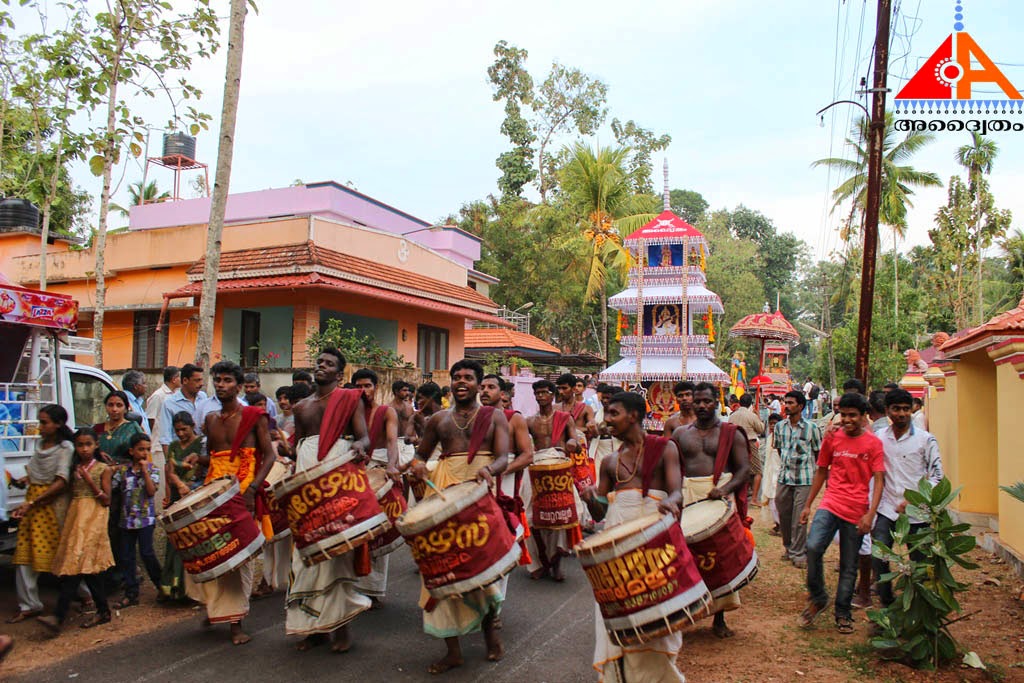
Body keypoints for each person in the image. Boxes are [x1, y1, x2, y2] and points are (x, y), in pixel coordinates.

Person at [409, 360, 510, 674]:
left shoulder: (495, 417)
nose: (461, 382)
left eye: (468, 377)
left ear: (479, 384)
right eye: (456, 377)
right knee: (440, 569)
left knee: (482, 572)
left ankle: (491, 636)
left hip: (479, 495)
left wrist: (489, 469)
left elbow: (504, 457)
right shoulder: (439, 419)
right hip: (444, 494)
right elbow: (421, 455)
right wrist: (416, 466)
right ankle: (453, 652)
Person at [581, 391, 685, 682]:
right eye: (606, 413)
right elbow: (600, 513)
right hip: (618, 545)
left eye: (614, 413)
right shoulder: (609, 462)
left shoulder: (665, 448)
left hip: (655, 541)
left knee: (657, 609)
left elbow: (677, 491)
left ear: (634, 415)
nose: (607, 419)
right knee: (619, 610)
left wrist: (671, 502)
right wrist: (590, 498)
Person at [287, 349, 372, 653]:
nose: (322, 366)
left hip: (338, 477)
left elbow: (364, 437)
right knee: (306, 552)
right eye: (320, 362)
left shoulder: (349, 399)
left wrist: (359, 448)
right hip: (307, 481)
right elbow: (297, 447)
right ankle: (314, 629)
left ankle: (341, 627)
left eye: (329, 364)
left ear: (339, 373)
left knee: (337, 550)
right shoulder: (301, 407)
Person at [190, 361, 277, 645]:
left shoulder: (254, 416)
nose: (221, 385)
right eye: (217, 380)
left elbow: (270, 456)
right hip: (214, 491)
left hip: (243, 492)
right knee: (213, 550)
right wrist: (197, 460)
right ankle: (217, 609)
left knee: (238, 558)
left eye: (227, 380)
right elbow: (217, 458)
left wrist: (252, 489)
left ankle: (236, 622)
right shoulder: (211, 419)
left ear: (239, 386)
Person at [799, 392, 884, 635]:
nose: (847, 420)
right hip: (830, 503)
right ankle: (818, 597)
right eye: (843, 415)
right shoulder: (832, 438)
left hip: (856, 510)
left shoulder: (873, 444)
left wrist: (870, 514)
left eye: (852, 415)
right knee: (813, 547)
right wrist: (808, 504)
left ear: (863, 416)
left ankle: (843, 613)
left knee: (849, 564)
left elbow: (879, 480)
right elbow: (821, 471)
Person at [671, 382, 751, 639]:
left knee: (721, 557)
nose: (702, 405)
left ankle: (720, 617)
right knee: (687, 557)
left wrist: (724, 490)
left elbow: (744, 470)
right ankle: (685, 613)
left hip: (719, 498)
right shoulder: (680, 434)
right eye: (698, 401)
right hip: (688, 497)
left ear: (717, 402)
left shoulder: (731, 433)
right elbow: (671, 468)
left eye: (707, 401)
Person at [872, 389, 943, 608]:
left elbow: (937, 476)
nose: (902, 414)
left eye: (906, 409)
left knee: (920, 562)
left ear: (912, 410)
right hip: (887, 508)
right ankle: (887, 604)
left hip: (918, 512)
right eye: (896, 409)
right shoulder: (879, 438)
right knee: (879, 555)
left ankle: (918, 608)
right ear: (887, 411)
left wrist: (914, 500)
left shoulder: (925, 439)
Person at [40, 428, 114, 632]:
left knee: (80, 564)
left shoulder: (102, 469)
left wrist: (89, 481)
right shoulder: (74, 467)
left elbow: (107, 500)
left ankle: (59, 616)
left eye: (88, 444)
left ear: (96, 445)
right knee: (84, 567)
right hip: (76, 518)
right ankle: (102, 610)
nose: (84, 449)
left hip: (94, 518)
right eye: (80, 445)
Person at [7, 405, 74, 623]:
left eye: (44, 422)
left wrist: (33, 502)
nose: (40, 427)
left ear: (58, 424)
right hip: (34, 506)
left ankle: (84, 594)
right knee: (24, 556)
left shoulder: (65, 448)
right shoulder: (40, 445)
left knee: (62, 555)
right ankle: (29, 605)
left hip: (52, 508)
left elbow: (61, 481)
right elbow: (35, 472)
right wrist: (22, 482)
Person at [351, 368, 400, 607]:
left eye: (367, 386)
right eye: (359, 386)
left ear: (376, 388)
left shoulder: (386, 411)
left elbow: (392, 441)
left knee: (377, 531)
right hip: (354, 473)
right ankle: (351, 587)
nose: (363, 390)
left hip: (379, 472)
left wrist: (391, 466)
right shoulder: (348, 412)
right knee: (353, 531)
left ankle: (373, 590)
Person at [524, 379, 579, 582]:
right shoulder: (529, 421)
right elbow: (522, 445)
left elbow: (574, 440)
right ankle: (537, 564)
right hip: (536, 469)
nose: (540, 396)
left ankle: (556, 563)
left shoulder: (565, 418)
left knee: (561, 515)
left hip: (559, 468)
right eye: (537, 393)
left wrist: (572, 443)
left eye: (544, 392)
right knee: (530, 517)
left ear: (552, 395)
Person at [774, 389, 823, 569]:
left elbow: (818, 453)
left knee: (799, 518)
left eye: (790, 403)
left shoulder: (812, 428)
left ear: (800, 406)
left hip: (804, 478)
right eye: (785, 403)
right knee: (784, 515)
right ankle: (789, 548)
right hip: (784, 478)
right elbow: (779, 449)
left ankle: (799, 552)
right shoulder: (780, 427)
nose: (786, 406)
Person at [112, 433, 161, 609]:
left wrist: (145, 471)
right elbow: (114, 488)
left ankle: (162, 586)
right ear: (132, 451)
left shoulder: (153, 469)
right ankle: (131, 593)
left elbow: (151, 491)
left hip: (145, 519)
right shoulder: (123, 471)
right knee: (127, 556)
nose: (144, 453)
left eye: (147, 449)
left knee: (147, 553)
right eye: (141, 449)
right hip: (127, 520)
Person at [159, 412, 204, 602]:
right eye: (177, 430)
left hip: (195, 494)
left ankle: (193, 590)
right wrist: (173, 490)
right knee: (175, 541)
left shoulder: (201, 444)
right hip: (179, 495)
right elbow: (169, 470)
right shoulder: (174, 446)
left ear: (192, 426)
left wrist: (188, 486)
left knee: (193, 539)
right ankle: (174, 587)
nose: (180, 433)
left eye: (184, 429)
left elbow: (203, 468)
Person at [157, 364, 208, 448]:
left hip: (202, 451)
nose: (201, 384)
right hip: (181, 452)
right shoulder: (170, 403)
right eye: (197, 380)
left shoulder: (203, 397)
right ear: (185, 380)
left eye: (201, 380)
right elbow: (165, 437)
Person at [729, 393, 765, 505]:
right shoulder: (751, 415)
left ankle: (740, 497)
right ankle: (754, 499)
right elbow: (761, 429)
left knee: (740, 470)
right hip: (749, 443)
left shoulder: (733, 415)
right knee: (758, 472)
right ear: (750, 404)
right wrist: (758, 416)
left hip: (735, 444)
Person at [760, 413, 784, 534]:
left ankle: (782, 525)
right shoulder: (769, 438)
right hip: (770, 472)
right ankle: (778, 524)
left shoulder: (784, 438)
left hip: (780, 473)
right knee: (771, 500)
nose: (772, 426)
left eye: (775, 423)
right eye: (771, 424)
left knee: (778, 500)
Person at [145, 366, 180, 449]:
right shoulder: (158, 396)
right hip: (158, 445)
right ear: (174, 379)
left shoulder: (176, 394)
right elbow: (150, 419)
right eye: (179, 377)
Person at [122, 370, 151, 435]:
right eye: (144, 383)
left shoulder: (137, 402)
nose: (146, 386)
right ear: (136, 386)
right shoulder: (124, 401)